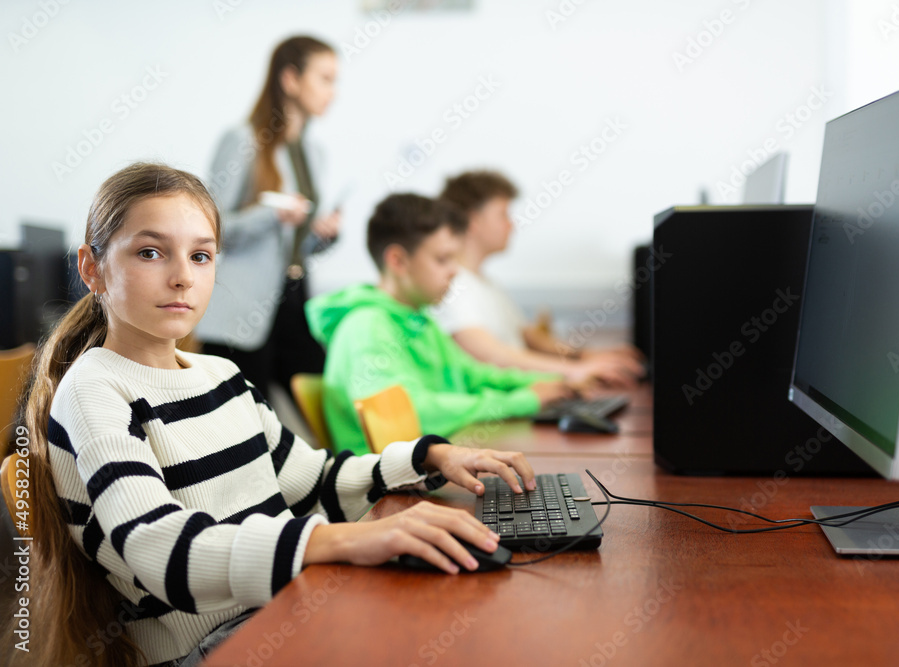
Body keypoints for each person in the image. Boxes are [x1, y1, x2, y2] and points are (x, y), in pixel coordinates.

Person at [17, 163, 536, 667]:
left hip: (280, 607)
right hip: (209, 645)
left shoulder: (219, 374)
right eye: (151, 253)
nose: (181, 278)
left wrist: (430, 458)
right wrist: (347, 540)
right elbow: (162, 553)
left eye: (201, 256)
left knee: (470, 619)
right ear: (91, 268)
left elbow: (314, 483)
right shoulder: (94, 388)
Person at [304, 193, 576, 455]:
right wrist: (522, 401)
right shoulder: (365, 328)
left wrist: (559, 382)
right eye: (442, 259)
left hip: (433, 468)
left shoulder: (419, 320)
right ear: (398, 261)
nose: (454, 270)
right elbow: (413, 414)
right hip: (392, 496)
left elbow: (475, 375)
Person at [196, 35, 342, 402]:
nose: (333, 92)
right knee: (245, 429)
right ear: (290, 79)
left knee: (323, 402)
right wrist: (270, 214)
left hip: (294, 297)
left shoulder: (314, 152)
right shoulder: (243, 139)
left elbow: (294, 245)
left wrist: (321, 234)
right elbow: (210, 231)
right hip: (243, 311)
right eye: (325, 79)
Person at [434, 170, 645, 387]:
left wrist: (584, 356)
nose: (511, 225)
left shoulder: (486, 283)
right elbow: (491, 356)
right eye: (503, 215)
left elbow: (528, 336)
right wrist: (574, 371)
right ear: (473, 220)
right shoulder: (452, 285)